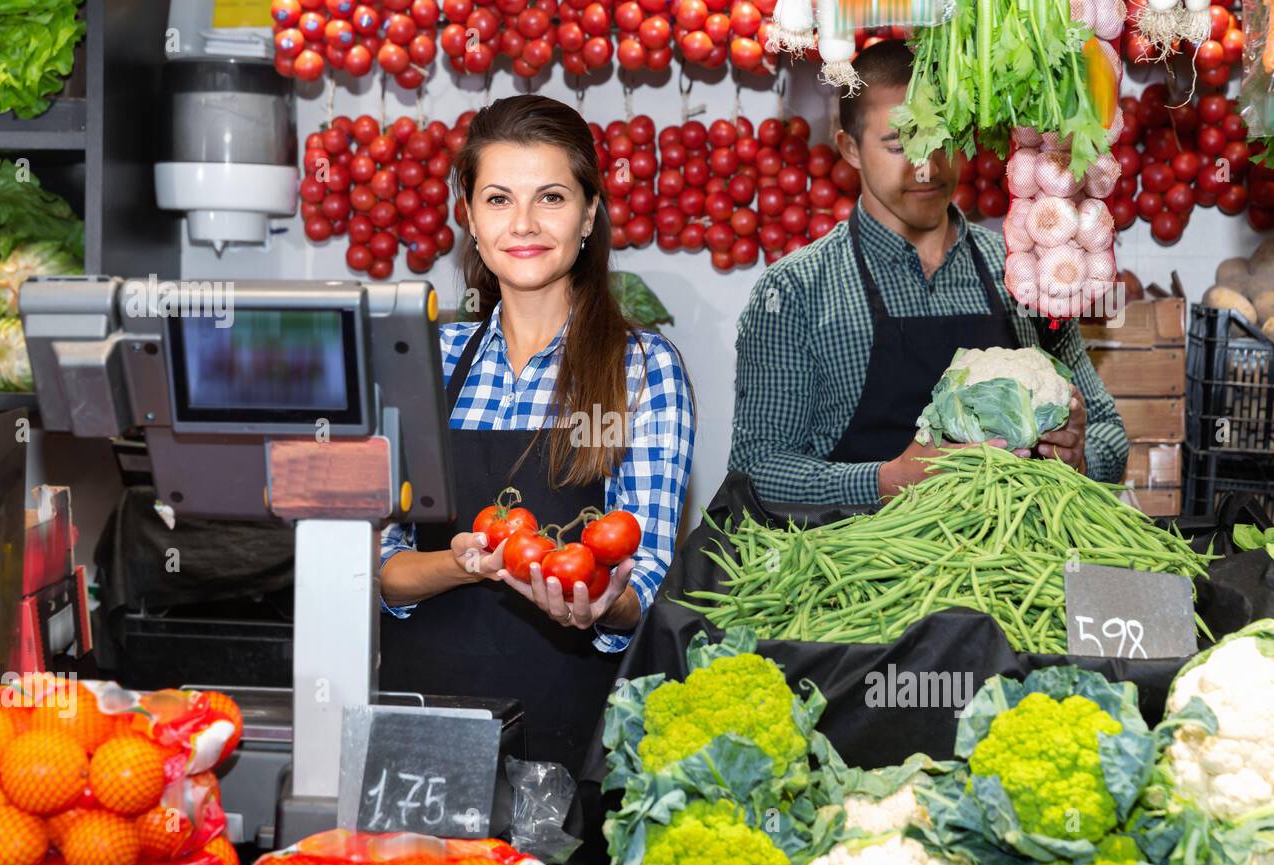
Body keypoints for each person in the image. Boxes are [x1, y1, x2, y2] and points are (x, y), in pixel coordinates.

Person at [378, 94, 696, 775]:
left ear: (588, 214)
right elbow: (381, 570)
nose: (523, 224)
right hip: (425, 719)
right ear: (468, 216)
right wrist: (469, 563)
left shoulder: (643, 370)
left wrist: (603, 604)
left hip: (572, 727)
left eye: (551, 197)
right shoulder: (423, 362)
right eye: (497, 199)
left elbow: (645, 579)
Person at [729, 41, 1128, 504]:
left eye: (943, 140)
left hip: (1010, 559)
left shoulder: (1024, 271)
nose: (925, 168)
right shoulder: (796, 291)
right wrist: (886, 481)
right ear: (850, 148)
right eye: (899, 143)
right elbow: (755, 469)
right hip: (863, 563)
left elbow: (1108, 432)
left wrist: (1078, 458)